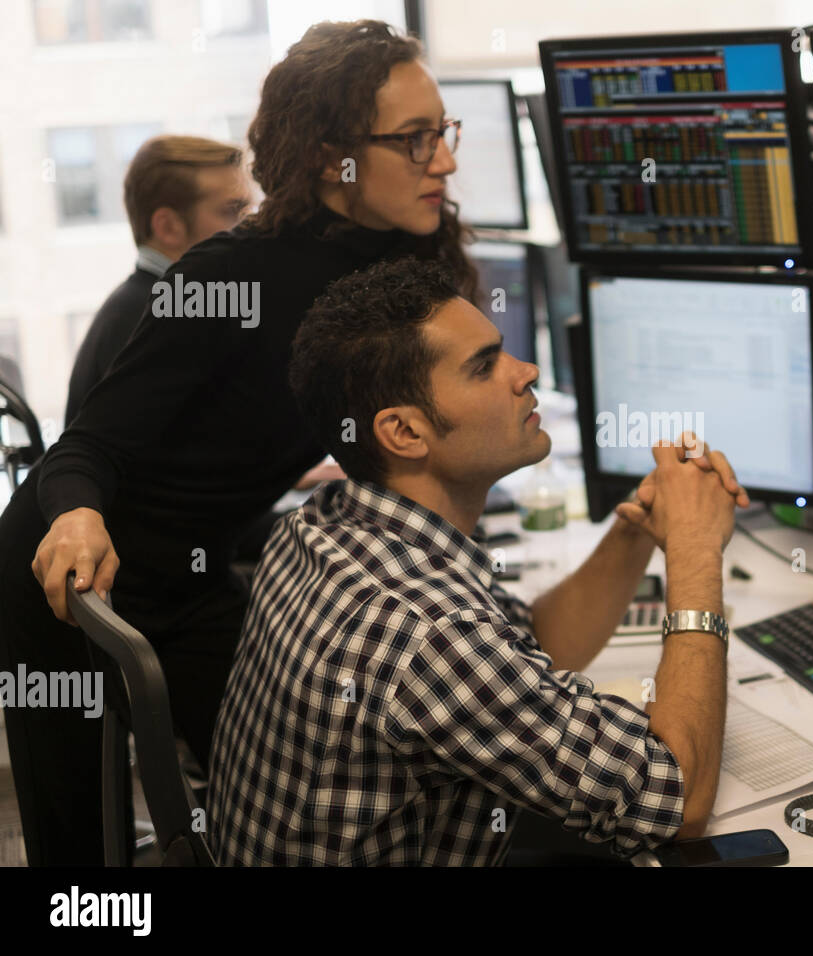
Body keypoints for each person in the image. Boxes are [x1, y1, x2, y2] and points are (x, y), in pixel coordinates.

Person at [0, 19, 478, 866]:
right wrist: (75, 516)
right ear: (333, 152)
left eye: (442, 133)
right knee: (79, 848)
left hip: (192, 574)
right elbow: (87, 447)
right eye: (414, 140)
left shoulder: (409, 265)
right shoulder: (230, 276)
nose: (442, 159)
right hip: (67, 571)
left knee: (291, 795)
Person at [209, 256, 747, 865]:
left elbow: (533, 644)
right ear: (406, 433)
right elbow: (678, 802)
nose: (527, 371)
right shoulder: (424, 634)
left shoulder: (323, 523)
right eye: (484, 367)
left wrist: (640, 532)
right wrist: (696, 552)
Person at [65, 135, 253, 424]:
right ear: (168, 227)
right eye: (232, 212)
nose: (251, 227)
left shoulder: (153, 304)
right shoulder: (155, 317)